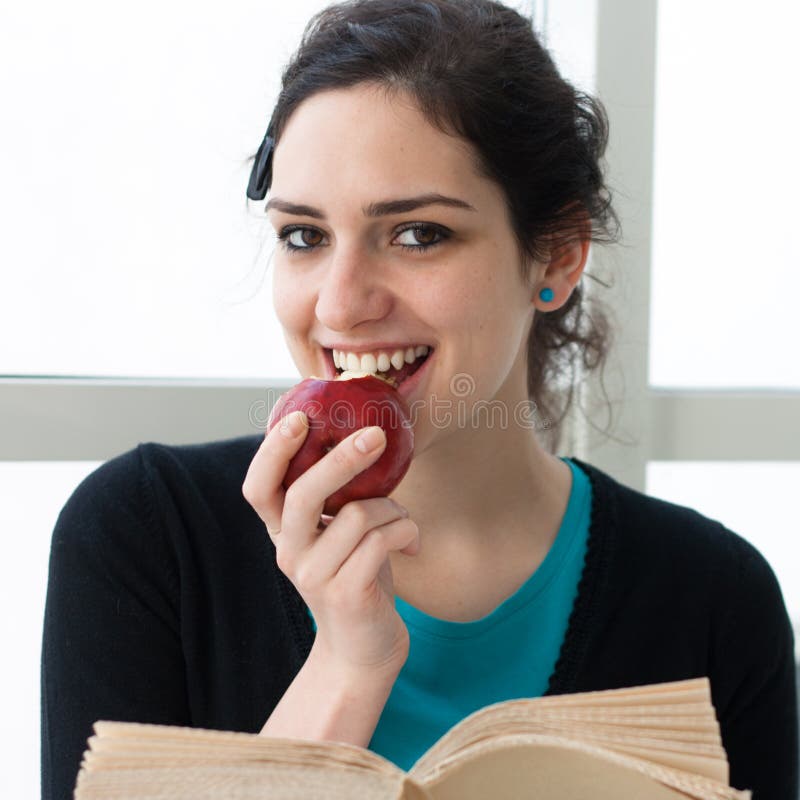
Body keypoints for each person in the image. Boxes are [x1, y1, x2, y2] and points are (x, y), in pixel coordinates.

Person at [41, 0, 798, 798]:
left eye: (417, 234)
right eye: (304, 236)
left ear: (560, 256)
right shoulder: (146, 539)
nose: (339, 304)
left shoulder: (713, 597)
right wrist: (345, 667)